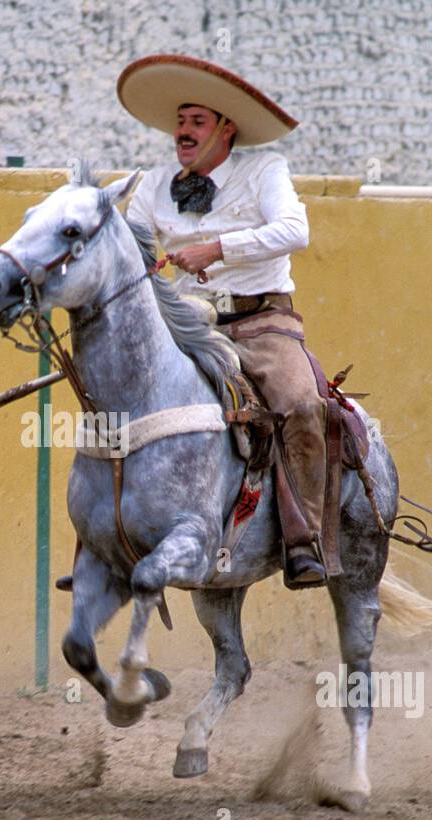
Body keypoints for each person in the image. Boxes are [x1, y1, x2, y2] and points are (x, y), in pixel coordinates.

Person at [117, 54, 327, 588]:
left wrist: (217, 249)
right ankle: (105, 545)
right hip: (183, 325)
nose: (183, 132)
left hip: (261, 323)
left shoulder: (265, 171)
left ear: (226, 130)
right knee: (113, 403)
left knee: (300, 403)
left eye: (197, 122)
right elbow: (131, 244)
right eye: (180, 122)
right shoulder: (151, 183)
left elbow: (294, 231)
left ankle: (306, 539)